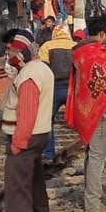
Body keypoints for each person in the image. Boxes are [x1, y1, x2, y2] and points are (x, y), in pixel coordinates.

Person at [0, 29, 56, 212]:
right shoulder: (42, 68)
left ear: (20, 50)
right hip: (41, 134)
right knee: (35, 188)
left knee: (17, 195)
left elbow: (27, 112)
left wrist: (18, 142)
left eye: (10, 49)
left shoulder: (29, 75)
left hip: (26, 137)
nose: (8, 53)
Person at [66, 15, 106, 212]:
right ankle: (93, 204)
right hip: (103, 110)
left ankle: (91, 197)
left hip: (89, 108)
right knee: (97, 156)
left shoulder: (80, 51)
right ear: (102, 33)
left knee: (92, 153)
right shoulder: (96, 52)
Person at [37, 25, 75, 161]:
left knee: (47, 120)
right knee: (81, 119)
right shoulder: (75, 46)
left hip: (53, 87)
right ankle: (87, 144)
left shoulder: (46, 46)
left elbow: (42, 68)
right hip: (72, 88)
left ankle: (48, 152)